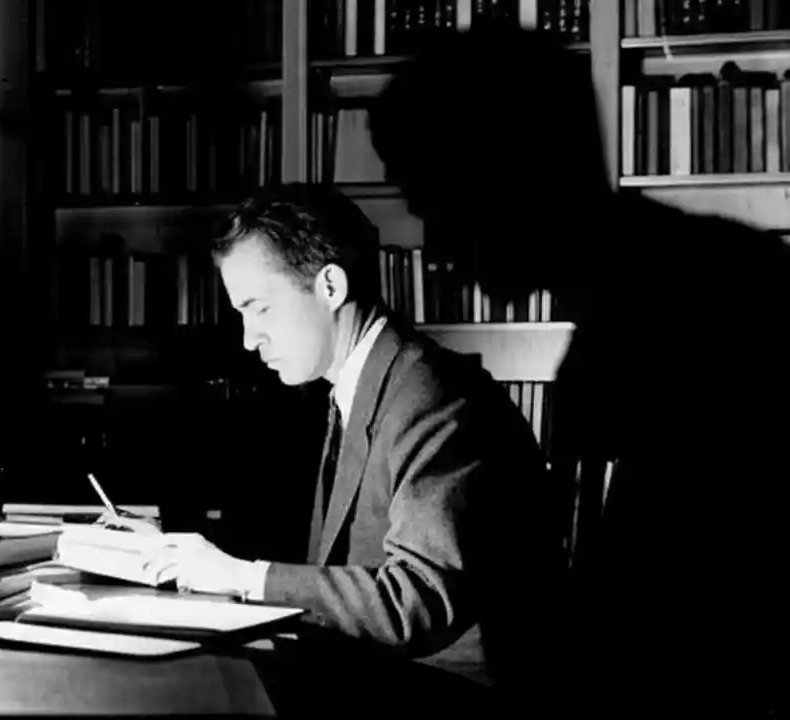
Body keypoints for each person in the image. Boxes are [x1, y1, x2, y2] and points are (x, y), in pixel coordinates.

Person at [367, 28, 790, 719]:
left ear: (500, 174)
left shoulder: (703, 308)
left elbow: (667, 619)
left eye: (431, 202)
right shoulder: (651, 298)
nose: (434, 247)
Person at [144, 182, 566, 714]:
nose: (250, 339)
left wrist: (242, 577)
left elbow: (416, 600)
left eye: (260, 309)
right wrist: (178, 550)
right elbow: (342, 564)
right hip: (378, 675)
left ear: (329, 286)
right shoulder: (363, 382)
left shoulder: (431, 396)